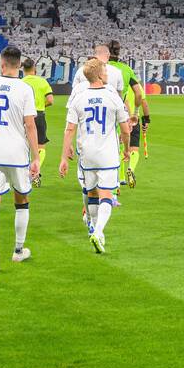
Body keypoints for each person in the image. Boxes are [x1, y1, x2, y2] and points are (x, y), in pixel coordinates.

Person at [60, 57, 131, 254]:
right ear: (100, 75)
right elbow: (125, 129)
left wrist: (64, 157)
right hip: (107, 153)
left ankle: (92, 224)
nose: (107, 74)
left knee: (91, 193)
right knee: (106, 194)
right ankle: (98, 232)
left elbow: (69, 130)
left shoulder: (79, 98)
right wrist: (126, 148)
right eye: (106, 71)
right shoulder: (112, 97)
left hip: (87, 153)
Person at [0, 46, 39, 269]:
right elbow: (30, 125)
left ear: (2, 64)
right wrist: (35, 156)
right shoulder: (25, 89)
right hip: (16, 153)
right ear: (19, 65)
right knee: (21, 199)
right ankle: (17, 250)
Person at [107, 39, 150, 189]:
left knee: (110, 148)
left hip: (102, 111)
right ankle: (128, 171)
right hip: (122, 112)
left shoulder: (100, 68)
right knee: (128, 146)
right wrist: (136, 113)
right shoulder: (126, 70)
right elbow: (139, 95)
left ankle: (115, 181)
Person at [21, 57, 52, 186]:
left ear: (23, 69)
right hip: (38, 114)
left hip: (23, 116)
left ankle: (25, 174)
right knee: (40, 147)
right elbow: (50, 100)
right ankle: (35, 171)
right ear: (34, 69)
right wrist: (43, 105)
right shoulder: (42, 82)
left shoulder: (21, 82)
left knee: (25, 146)